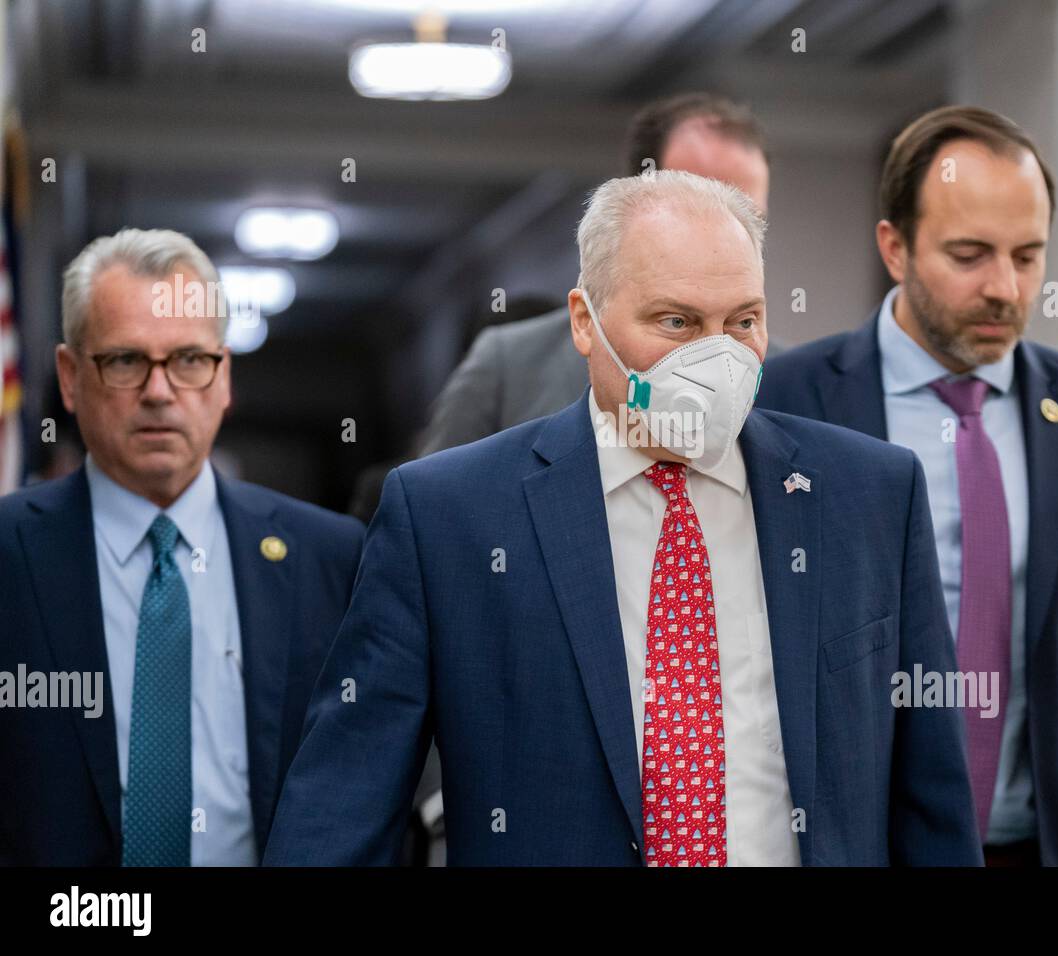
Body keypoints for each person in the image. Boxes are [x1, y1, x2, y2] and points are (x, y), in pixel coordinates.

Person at [264, 171, 981, 866]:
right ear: (585, 322)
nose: (718, 356)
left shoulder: (870, 497)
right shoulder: (450, 517)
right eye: (677, 321)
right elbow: (345, 799)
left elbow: (932, 800)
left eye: (744, 322)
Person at [757, 106, 1058, 866]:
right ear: (894, 248)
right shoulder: (781, 403)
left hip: (1040, 846)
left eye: (1028, 257)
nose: (1004, 287)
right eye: (970, 255)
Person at [0, 228, 365, 865]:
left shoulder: (328, 559)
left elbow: (365, 784)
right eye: (125, 361)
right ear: (68, 376)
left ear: (224, 377)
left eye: (190, 360)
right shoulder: (8, 554)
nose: (160, 392)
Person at [413, 91, 772, 458]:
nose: (720, 225)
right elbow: (443, 499)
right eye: (690, 199)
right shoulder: (511, 363)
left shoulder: (790, 374)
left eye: (747, 214)